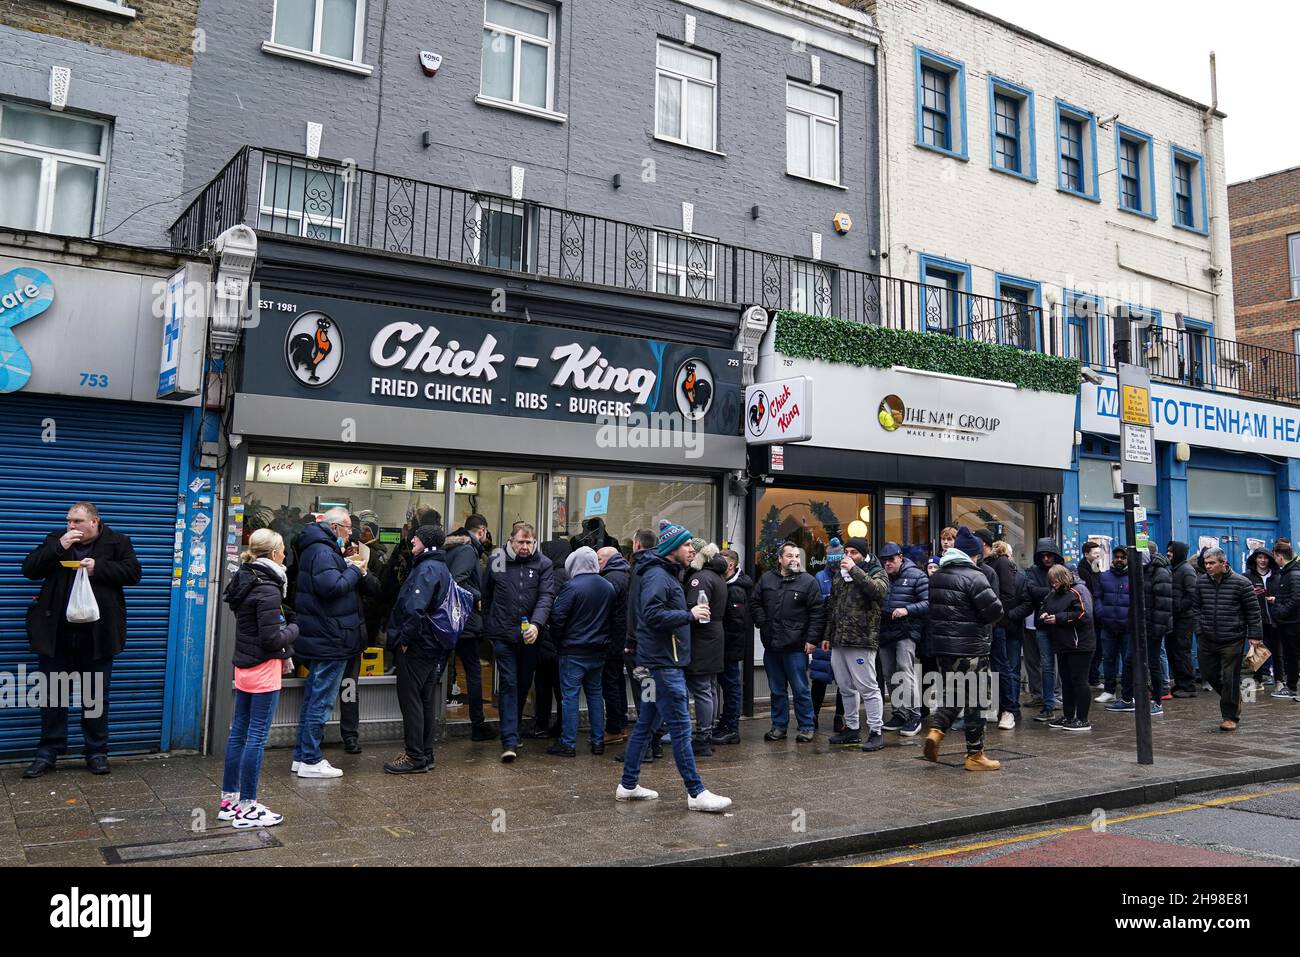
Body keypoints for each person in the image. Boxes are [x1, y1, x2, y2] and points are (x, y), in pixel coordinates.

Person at [616, 521, 731, 812]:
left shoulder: (663, 573)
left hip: (658, 661)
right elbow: (652, 615)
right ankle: (696, 792)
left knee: (646, 723)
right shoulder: (658, 576)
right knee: (680, 726)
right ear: (671, 549)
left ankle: (628, 785)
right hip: (663, 665)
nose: (692, 550)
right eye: (687, 546)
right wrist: (689, 614)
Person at [21, 503, 142, 779]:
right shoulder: (56, 540)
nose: (71, 526)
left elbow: (133, 573)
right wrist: (58, 547)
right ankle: (48, 752)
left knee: (95, 697)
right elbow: (29, 569)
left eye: (77, 521)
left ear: (94, 521)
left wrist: (98, 568)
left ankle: (96, 752)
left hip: (97, 635)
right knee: (52, 696)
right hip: (56, 634)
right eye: (68, 522)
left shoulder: (118, 542)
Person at [220, 529, 297, 826]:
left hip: (244, 664)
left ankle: (229, 801)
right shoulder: (268, 587)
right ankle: (249, 806)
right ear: (274, 553)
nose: (285, 556)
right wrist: (294, 629)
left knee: (238, 733)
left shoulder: (246, 578)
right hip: (263, 667)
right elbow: (271, 638)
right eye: (282, 551)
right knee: (256, 736)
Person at [291, 508, 375, 779]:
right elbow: (332, 587)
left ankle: (301, 756)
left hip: (324, 634)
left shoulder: (316, 547)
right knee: (322, 700)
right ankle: (312, 759)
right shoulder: (324, 551)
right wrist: (353, 569)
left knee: (315, 697)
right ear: (335, 527)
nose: (350, 533)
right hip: (330, 637)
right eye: (348, 527)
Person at [920, 547, 1004, 771]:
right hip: (971, 649)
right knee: (977, 700)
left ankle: (936, 732)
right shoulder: (975, 576)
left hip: (943, 650)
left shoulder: (937, 577)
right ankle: (975, 755)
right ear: (973, 555)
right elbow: (995, 611)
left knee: (954, 695)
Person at [483, 523, 556, 763]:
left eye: (529, 542)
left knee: (524, 683)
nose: (525, 547)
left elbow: (546, 597)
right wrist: (490, 628)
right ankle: (509, 740)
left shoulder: (543, 564)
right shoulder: (498, 559)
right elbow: (488, 594)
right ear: (511, 541)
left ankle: (512, 729)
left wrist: (536, 624)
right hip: (503, 635)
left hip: (530, 636)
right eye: (520, 542)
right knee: (509, 683)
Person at [383, 526, 453, 773]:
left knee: (411, 699)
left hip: (417, 645)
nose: (412, 540)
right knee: (425, 699)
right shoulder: (439, 566)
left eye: (417, 537)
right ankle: (426, 753)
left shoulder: (426, 569)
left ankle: (414, 756)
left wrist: (403, 639)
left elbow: (414, 609)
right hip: (432, 645)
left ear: (427, 542)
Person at [751, 541, 826, 742]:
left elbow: (818, 613)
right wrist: (762, 622)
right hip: (772, 646)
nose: (794, 559)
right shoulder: (766, 579)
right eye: (790, 556)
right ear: (780, 559)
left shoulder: (808, 582)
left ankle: (807, 726)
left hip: (796, 647)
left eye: (797, 556)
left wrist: (812, 640)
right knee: (776, 690)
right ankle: (778, 727)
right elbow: (755, 602)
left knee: (801, 690)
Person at [823, 538, 891, 751]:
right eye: (847, 552)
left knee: (868, 687)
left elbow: (878, 592)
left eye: (854, 552)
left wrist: (854, 570)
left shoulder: (877, 571)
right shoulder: (839, 576)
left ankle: (875, 731)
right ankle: (851, 729)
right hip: (839, 640)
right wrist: (827, 635)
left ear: (863, 554)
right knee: (845, 687)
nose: (849, 556)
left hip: (861, 639)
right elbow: (832, 607)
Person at [548, 546, 616, 757]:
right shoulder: (608, 587)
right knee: (596, 695)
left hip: (573, 651)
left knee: (570, 697)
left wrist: (559, 641)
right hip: (598, 650)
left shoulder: (571, 586)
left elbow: (557, 617)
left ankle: (568, 743)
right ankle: (598, 742)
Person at [1192, 547, 1263, 731]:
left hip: (1233, 638)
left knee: (1230, 677)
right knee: (1209, 674)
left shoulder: (1242, 583)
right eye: (1206, 563)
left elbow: (1253, 612)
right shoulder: (1200, 583)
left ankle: (1230, 716)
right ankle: (1233, 697)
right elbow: (1195, 608)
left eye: (1212, 563)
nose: (1208, 566)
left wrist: (1255, 636)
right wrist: (1199, 630)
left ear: (1223, 563)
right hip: (1207, 637)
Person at [444, 515, 494, 741]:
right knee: (473, 671)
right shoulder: (467, 550)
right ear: (481, 531)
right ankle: (478, 724)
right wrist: (478, 598)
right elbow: (458, 580)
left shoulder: (454, 547)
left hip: (453, 619)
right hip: (464, 620)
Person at [1111, 542, 1172, 717]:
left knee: (1153, 664)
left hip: (1152, 627)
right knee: (1129, 661)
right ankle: (1127, 698)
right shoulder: (1137, 571)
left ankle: (1157, 701)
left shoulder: (1160, 573)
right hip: (1136, 626)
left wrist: (1156, 630)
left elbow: (1164, 605)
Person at [879, 541, 928, 736]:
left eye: (891, 559)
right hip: (885, 631)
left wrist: (906, 610)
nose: (888, 563)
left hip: (906, 630)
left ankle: (914, 715)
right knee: (889, 674)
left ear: (900, 557)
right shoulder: (883, 577)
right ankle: (899, 713)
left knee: (905, 670)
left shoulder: (916, 575)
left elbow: (928, 602)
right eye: (885, 560)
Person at [1038, 564, 1095, 732]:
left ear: (1063, 578)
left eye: (1055, 581)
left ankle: (1083, 719)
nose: (1053, 584)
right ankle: (1069, 716)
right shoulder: (1052, 594)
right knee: (1067, 682)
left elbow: (1084, 615)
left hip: (1080, 644)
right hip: (1062, 644)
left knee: (1079, 681)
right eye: (1051, 582)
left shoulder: (1078, 591)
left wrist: (1059, 618)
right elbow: (1045, 607)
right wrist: (1044, 615)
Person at [685, 543, 727, 757]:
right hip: (713, 636)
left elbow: (693, 607)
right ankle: (706, 733)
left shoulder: (701, 578)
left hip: (701, 638)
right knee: (709, 688)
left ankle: (702, 736)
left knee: (702, 688)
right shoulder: (718, 576)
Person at [527, 538, 571, 739]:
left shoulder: (555, 575)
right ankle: (558, 725)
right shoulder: (567, 574)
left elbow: (549, 607)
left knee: (545, 684)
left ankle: (544, 724)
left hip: (549, 640)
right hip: (557, 641)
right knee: (557, 686)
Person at [987, 540, 1031, 730]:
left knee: (1009, 669)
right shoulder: (993, 574)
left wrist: (1010, 616)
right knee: (1003, 669)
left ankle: (1011, 708)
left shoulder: (1020, 578)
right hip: (1002, 628)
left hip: (1011, 629)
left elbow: (1027, 603)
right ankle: (1006, 707)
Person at [1022, 537, 1066, 718]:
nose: (1046, 559)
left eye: (1049, 555)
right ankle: (1038, 694)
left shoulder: (1062, 570)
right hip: (1034, 620)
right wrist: (1052, 592)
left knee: (1051, 662)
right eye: (1043, 556)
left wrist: (1045, 593)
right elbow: (1031, 591)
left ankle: (1054, 695)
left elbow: (1065, 590)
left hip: (1055, 621)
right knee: (1033, 660)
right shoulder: (1033, 571)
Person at [713, 548, 752, 745]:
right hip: (724, 647)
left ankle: (731, 727)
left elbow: (736, 624)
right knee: (727, 686)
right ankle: (725, 723)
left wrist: (724, 644)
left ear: (730, 564)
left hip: (730, 648)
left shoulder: (735, 589)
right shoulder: (726, 585)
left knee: (731, 687)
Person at [597, 545, 632, 743]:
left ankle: (614, 728)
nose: (597, 564)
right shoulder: (628, 574)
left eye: (599, 560)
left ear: (607, 560)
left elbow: (606, 612)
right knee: (617, 680)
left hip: (612, 638)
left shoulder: (610, 579)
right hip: (624, 638)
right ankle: (621, 721)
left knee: (610, 682)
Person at [811, 539, 846, 733]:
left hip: (843, 635)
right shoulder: (819, 577)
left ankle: (839, 717)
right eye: (831, 565)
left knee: (844, 681)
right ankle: (813, 716)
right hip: (823, 635)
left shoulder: (848, 575)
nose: (834, 569)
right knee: (819, 678)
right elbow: (817, 608)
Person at [1095, 546, 1132, 710]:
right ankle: (1109, 690)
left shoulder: (1134, 576)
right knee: (1109, 658)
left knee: (1128, 661)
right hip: (1108, 626)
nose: (1119, 560)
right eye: (1116, 557)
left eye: (1122, 557)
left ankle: (1128, 693)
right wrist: (1101, 613)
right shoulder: (1104, 576)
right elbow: (1097, 597)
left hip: (1127, 627)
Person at [1167, 541, 1200, 698]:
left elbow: (1192, 594)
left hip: (1184, 618)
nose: (1168, 555)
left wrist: (1179, 606)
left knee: (1181, 651)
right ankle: (1180, 683)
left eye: (1171, 552)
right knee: (1173, 650)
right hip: (1175, 617)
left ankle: (1188, 686)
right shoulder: (1175, 569)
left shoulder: (1186, 570)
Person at [1245, 546, 1281, 687]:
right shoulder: (1247, 576)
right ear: (1255, 559)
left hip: (1275, 619)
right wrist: (1251, 593)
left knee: (1277, 651)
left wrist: (1275, 599)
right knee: (1257, 649)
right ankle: (1258, 678)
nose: (1262, 560)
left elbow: (1284, 596)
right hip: (1257, 619)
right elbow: (1241, 596)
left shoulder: (1277, 576)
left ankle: (1279, 679)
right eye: (1259, 557)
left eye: (1265, 558)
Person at [1272, 539, 1300, 700]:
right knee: (1291, 656)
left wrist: (1281, 611)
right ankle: (1291, 687)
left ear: (1280, 557)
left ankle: (1291, 687)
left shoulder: (1293, 574)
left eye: (1275, 557)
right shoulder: (1288, 573)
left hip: (1293, 624)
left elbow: (1297, 598)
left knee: (1293, 655)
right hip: (1288, 623)